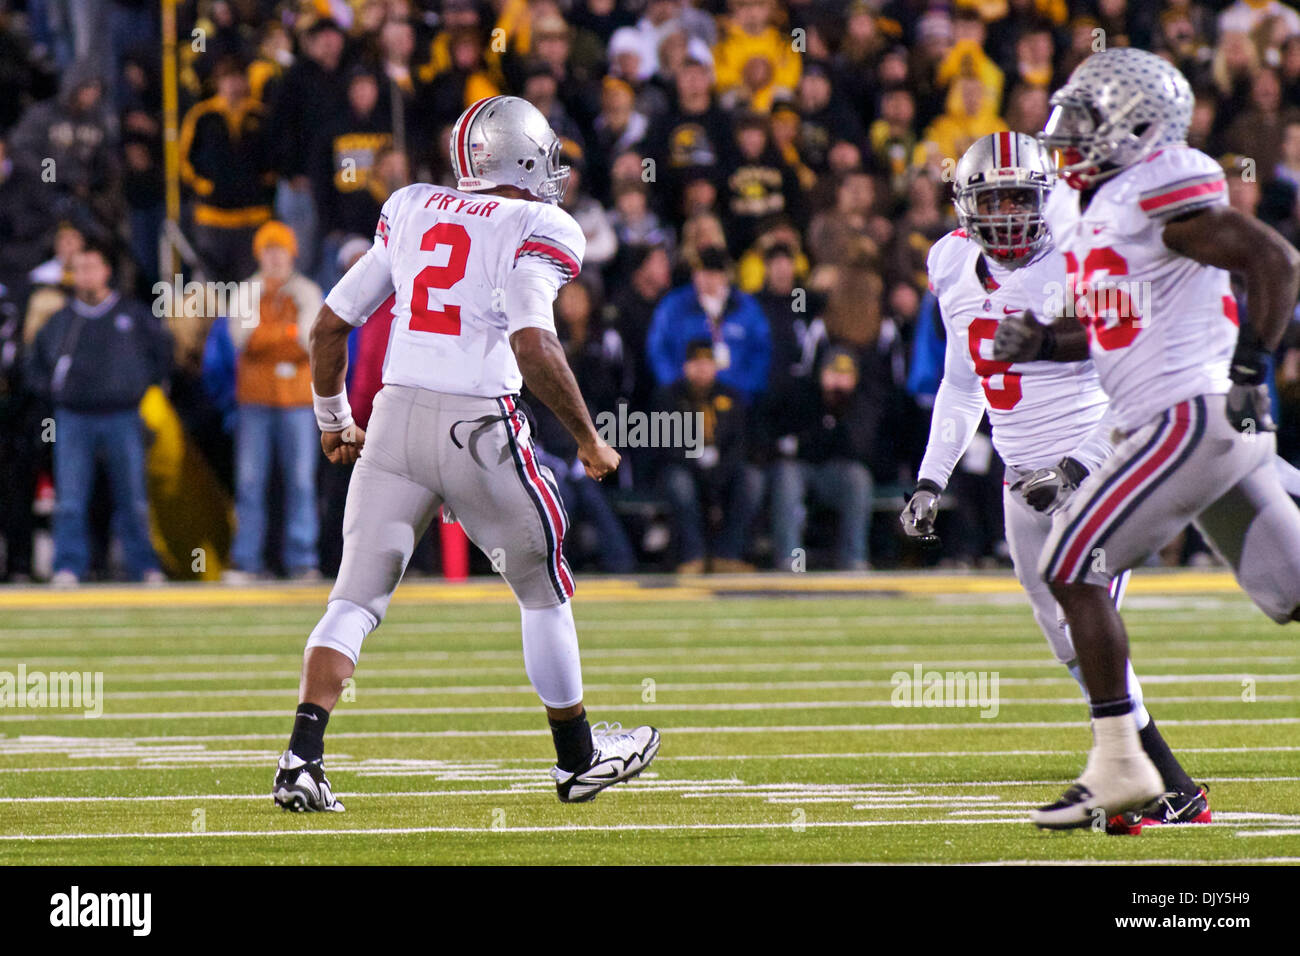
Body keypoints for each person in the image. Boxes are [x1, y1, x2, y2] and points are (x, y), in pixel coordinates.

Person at [272, 96, 659, 812]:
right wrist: (588, 438)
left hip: (392, 420)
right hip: (478, 426)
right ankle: (577, 759)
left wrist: (334, 418)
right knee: (543, 589)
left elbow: (328, 327)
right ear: (521, 161)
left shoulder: (412, 205)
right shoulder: (540, 224)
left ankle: (303, 756)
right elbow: (534, 344)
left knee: (354, 600)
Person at [998, 49, 1300, 829]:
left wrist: (1248, 365)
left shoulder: (1157, 182)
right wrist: (1040, 343)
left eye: (1085, 119)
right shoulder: (1104, 212)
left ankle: (1122, 766)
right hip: (1197, 425)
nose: (1065, 133)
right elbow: (1108, 329)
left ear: (1135, 128)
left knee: (1068, 560)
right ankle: (1138, 771)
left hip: (1188, 417)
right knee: (1295, 590)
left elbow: (1274, 258)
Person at [901, 132, 1208, 835]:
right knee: (1071, 645)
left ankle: (1157, 786)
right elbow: (960, 382)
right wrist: (930, 477)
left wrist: (1075, 469)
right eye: (994, 197)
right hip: (1020, 476)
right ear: (965, 206)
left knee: (1089, 616)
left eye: (1020, 196)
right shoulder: (950, 261)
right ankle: (1158, 783)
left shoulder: (1081, 258)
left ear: (1047, 198)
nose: (1008, 212)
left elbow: (1131, 377)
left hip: (1095, 463)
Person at [25, 243, 171, 584]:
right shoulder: (62, 320)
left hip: (124, 416)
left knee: (133, 498)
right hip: (74, 417)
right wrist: (54, 391)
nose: (86, 275)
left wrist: (140, 386)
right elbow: (35, 365)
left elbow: (162, 355)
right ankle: (68, 566)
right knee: (71, 499)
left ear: (107, 271)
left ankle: (143, 566)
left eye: (92, 267)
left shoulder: (132, 315)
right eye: (79, 268)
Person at [226, 221, 323, 581]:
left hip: (297, 402)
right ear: (259, 255)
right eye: (268, 250)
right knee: (250, 482)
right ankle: (246, 559)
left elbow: (309, 344)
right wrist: (287, 332)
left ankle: (302, 559)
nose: (275, 257)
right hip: (255, 401)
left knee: (301, 482)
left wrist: (272, 337)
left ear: (291, 253)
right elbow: (242, 340)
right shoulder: (247, 292)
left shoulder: (307, 292)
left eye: (280, 250)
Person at [653, 339, 758, 573]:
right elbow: (665, 445)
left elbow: (739, 444)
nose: (702, 369)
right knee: (680, 484)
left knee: (751, 479)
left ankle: (728, 554)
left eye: (707, 363)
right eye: (696, 363)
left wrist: (718, 470)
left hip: (722, 470)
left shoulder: (730, 396)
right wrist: (697, 464)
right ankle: (693, 555)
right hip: (682, 468)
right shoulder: (668, 398)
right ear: (685, 366)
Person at [771, 347, 878, 571]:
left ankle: (854, 558)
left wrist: (835, 419)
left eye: (844, 374)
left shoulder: (862, 403)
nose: (838, 381)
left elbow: (860, 449)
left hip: (836, 474)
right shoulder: (802, 395)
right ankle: (791, 559)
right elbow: (784, 442)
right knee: (786, 476)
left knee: (858, 478)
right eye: (832, 373)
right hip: (801, 469)